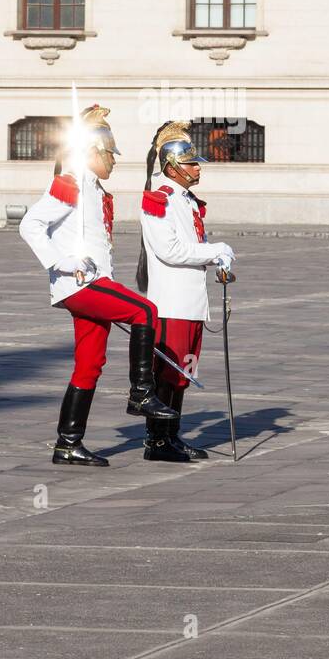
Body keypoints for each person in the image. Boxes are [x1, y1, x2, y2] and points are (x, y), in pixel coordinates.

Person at [20, 104, 177, 467]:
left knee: (89, 365)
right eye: (110, 155)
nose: (114, 162)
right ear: (92, 151)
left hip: (93, 282)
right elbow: (30, 225)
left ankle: (68, 443)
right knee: (145, 310)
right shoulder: (72, 181)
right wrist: (61, 260)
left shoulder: (90, 186)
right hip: (81, 284)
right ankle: (140, 392)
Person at [133, 120, 236, 462]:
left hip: (191, 302)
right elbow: (170, 250)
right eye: (192, 163)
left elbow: (194, 246)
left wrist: (216, 259)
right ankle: (157, 441)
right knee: (168, 372)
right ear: (172, 168)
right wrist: (214, 250)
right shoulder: (158, 199)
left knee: (183, 374)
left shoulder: (187, 201)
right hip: (171, 302)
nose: (197, 169)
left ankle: (171, 436)